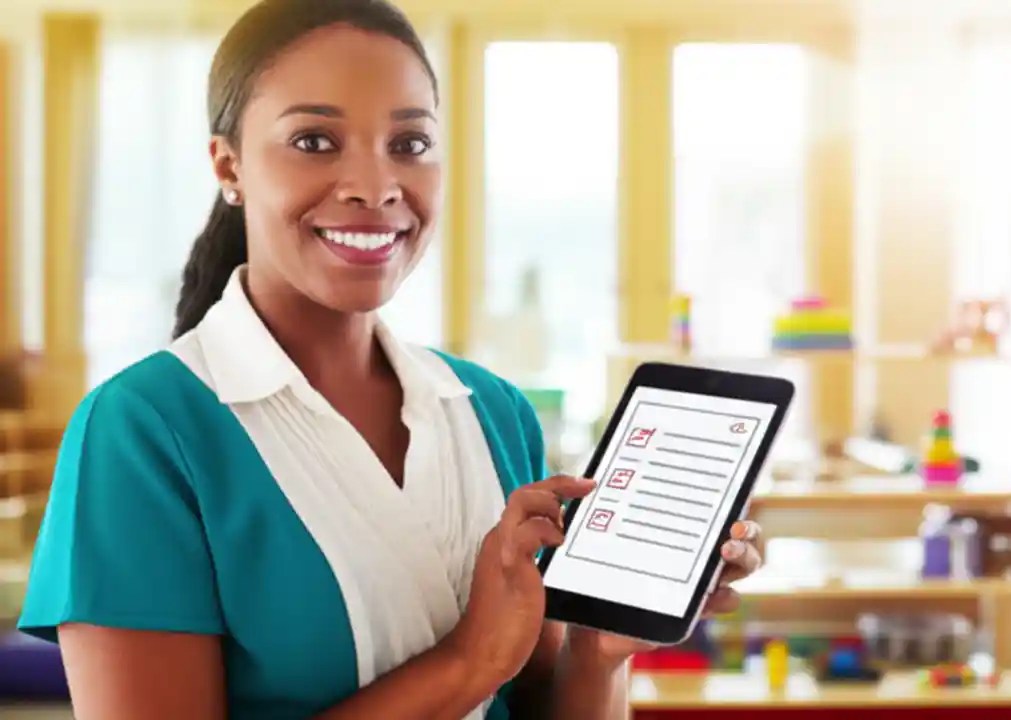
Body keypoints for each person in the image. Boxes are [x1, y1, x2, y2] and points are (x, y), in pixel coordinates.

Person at [17, 1, 765, 718]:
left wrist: (600, 651)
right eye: (315, 141)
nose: (375, 188)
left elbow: (540, 703)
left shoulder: (494, 412)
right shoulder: (141, 431)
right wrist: (471, 659)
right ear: (229, 166)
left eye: (409, 145)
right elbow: (485, 665)